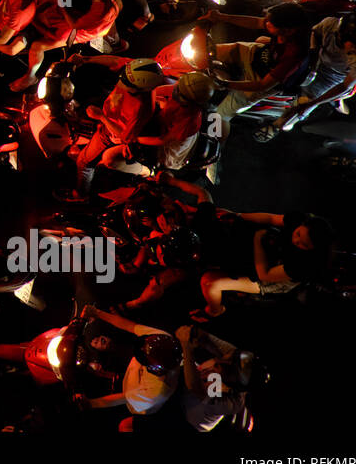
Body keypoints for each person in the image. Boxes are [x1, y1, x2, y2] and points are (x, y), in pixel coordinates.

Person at [195, 210, 333, 319]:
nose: (296, 241)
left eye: (304, 244)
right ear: (303, 223)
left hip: (272, 278)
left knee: (210, 282)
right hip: (272, 249)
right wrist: (239, 215)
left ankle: (215, 311)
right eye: (297, 234)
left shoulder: (304, 266)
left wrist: (257, 238)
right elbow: (271, 218)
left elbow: (264, 275)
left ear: (313, 249)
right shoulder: (299, 219)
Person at [196, 3, 314, 119]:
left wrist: (223, 83)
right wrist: (221, 17)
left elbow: (262, 85)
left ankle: (215, 137)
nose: (266, 24)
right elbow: (257, 22)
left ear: (288, 31)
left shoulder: (294, 54)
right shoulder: (284, 24)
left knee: (221, 115)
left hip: (262, 79)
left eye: (271, 24)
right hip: (260, 54)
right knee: (204, 53)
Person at [73, 58, 167, 197]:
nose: (121, 82)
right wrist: (85, 59)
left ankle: (81, 196)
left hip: (110, 133)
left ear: (140, 89)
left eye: (127, 83)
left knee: (84, 161)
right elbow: (115, 62)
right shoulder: (134, 73)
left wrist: (102, 118)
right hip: (107, 115)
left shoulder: (142, 108)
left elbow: (126, 137)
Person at [74, 306, 181, 426]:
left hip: (135, 404)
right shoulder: (161, 338)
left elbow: (122, 398)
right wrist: (97, 313)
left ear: (153, 368)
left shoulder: (156, 393)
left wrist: (90, 403)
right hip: (134, 377)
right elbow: (130, 326)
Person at [275, 11, 356, 132]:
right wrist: (313, 56)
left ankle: (279, 126)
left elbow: (345, 86)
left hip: (332, 77)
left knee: (303, 103)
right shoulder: (330, 24)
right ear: (340, 35)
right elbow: (314, 33)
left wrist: (313, 103)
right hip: (316, 60)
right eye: (355, 44)